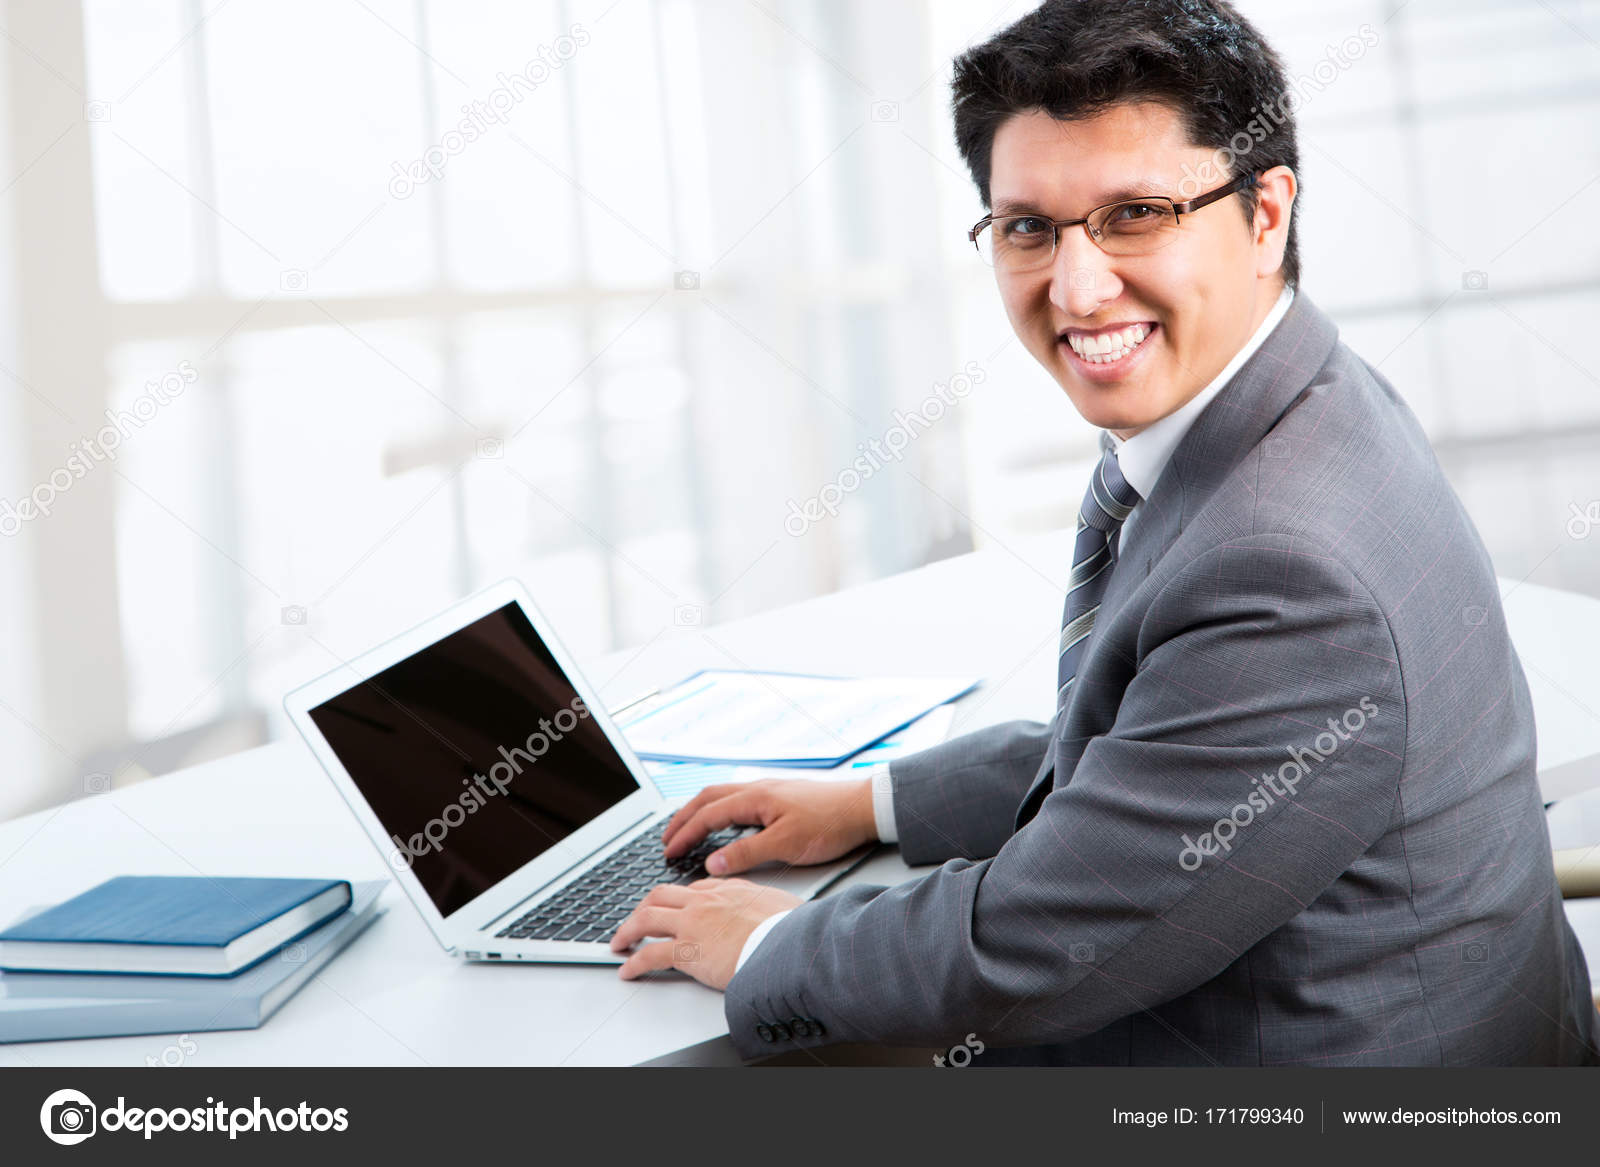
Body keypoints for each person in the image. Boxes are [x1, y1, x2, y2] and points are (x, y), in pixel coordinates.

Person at [609, 0, 1600, 1066]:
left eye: (1135, 213)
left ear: (1266, 213)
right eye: (1028, 228)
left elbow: (1043, 947)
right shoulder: (1294, 397)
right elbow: (1172, 746)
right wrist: (876, 801)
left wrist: (776, 945)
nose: (1077, 290)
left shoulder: (1286, 565)